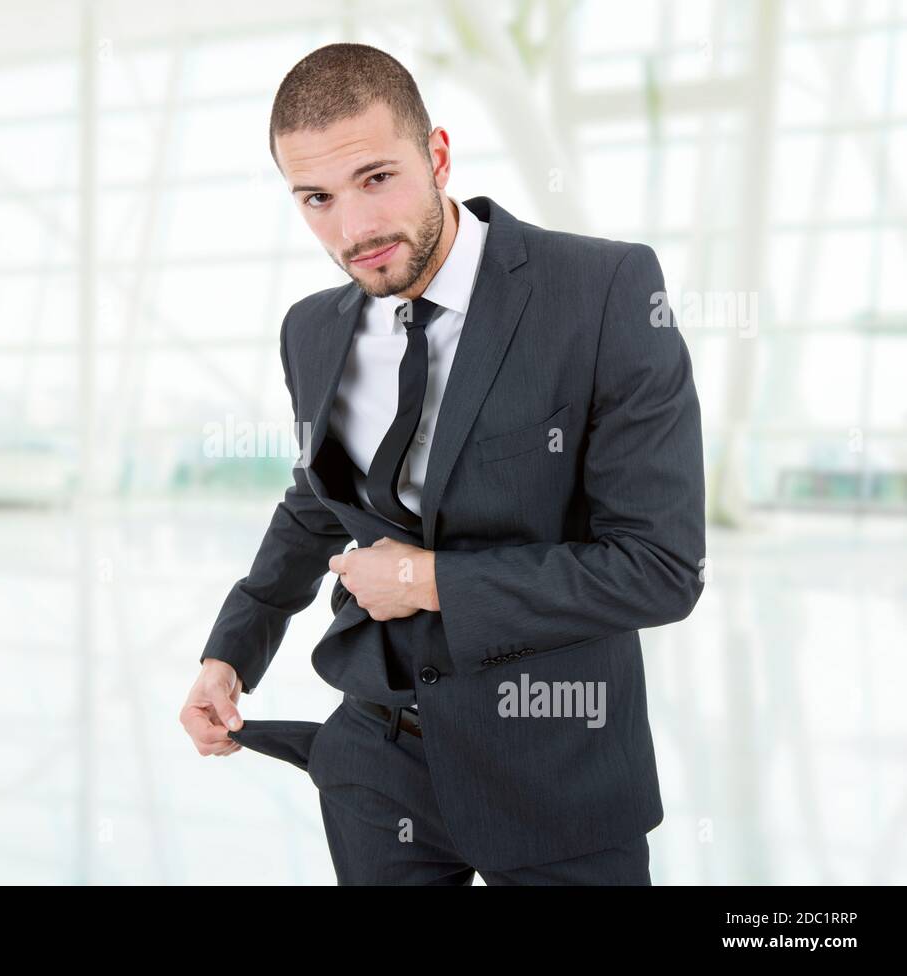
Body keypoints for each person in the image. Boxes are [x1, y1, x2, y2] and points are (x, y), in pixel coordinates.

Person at [179, 42, 706, 885]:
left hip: (556, 774)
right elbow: (319, 499)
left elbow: (661, 569)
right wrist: (233, 651)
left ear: (438, 155)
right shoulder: (311, 329)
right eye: (316, 198)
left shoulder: (602, 291)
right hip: (374, 763)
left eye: (377, 178)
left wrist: (431, 582)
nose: (353, 231)